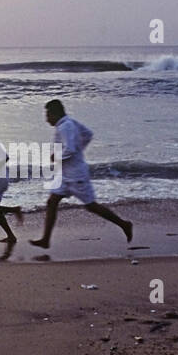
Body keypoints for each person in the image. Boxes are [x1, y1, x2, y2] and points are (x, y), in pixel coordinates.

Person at [29, 99, 133, 248]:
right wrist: (79, 151)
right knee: (52, 202)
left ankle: (124, 224)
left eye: (48, 115)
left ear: (55, 113)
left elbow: (70, 149)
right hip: (66, 174)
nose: (47, 119)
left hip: (76, 175)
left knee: (91, 206)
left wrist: (57, 157)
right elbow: (88, 135)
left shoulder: (66, 126)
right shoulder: (70, 123)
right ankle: (45, 240)